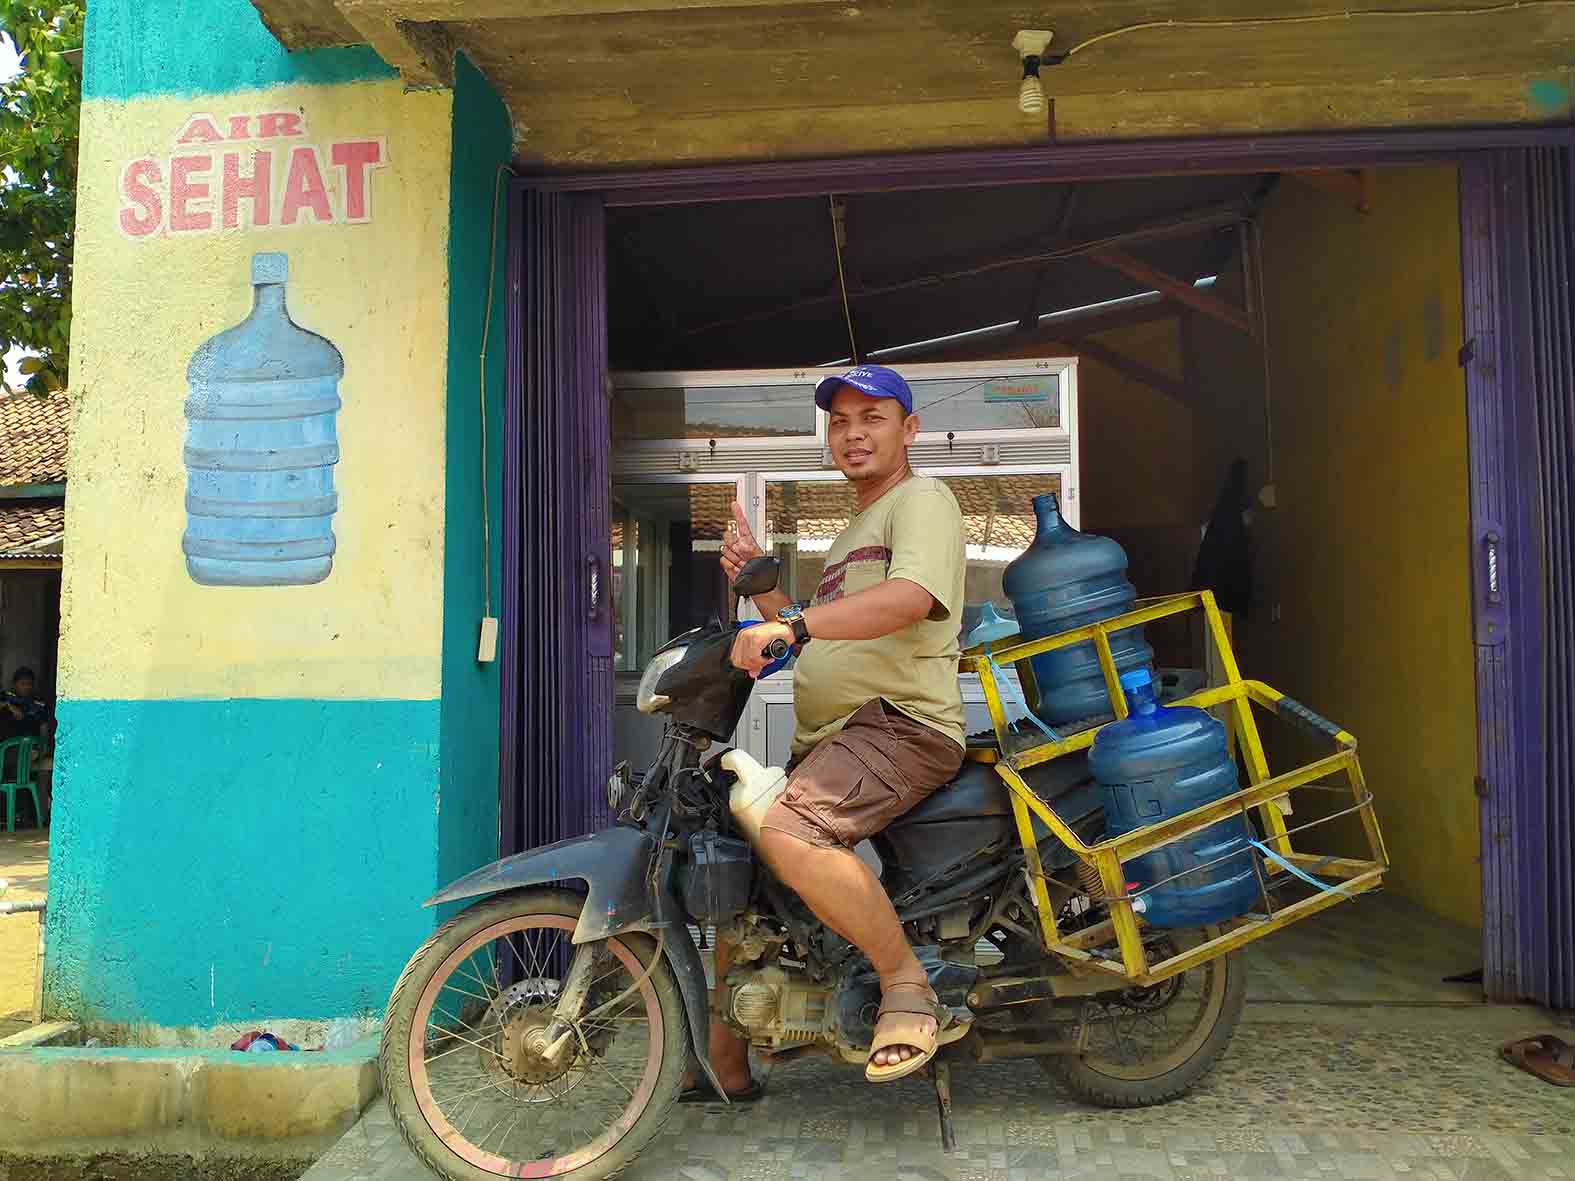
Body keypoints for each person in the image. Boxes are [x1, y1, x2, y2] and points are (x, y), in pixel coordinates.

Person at [708, 364, 968, 1091]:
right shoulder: (852, 531)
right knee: (740, 875)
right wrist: (767, 592)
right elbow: (819, 634)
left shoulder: (923, 499)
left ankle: (906, 985)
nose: (852, 433)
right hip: (840, 737)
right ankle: (721, 1064)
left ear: (908, 430)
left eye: (872, 417)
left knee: (790, 829)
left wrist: (788, 621)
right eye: (840, 421)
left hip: (900, 725)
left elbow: (908, 599)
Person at [2, 667, 50, 745]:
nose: (27, 687)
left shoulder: (39, 704)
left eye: (29, 684)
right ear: (14, 684)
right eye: (23, 684)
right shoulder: (6, 696)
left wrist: (42, 748)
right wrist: (9, 706)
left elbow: (44, 729)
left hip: (29, 750)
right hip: (5, 747)